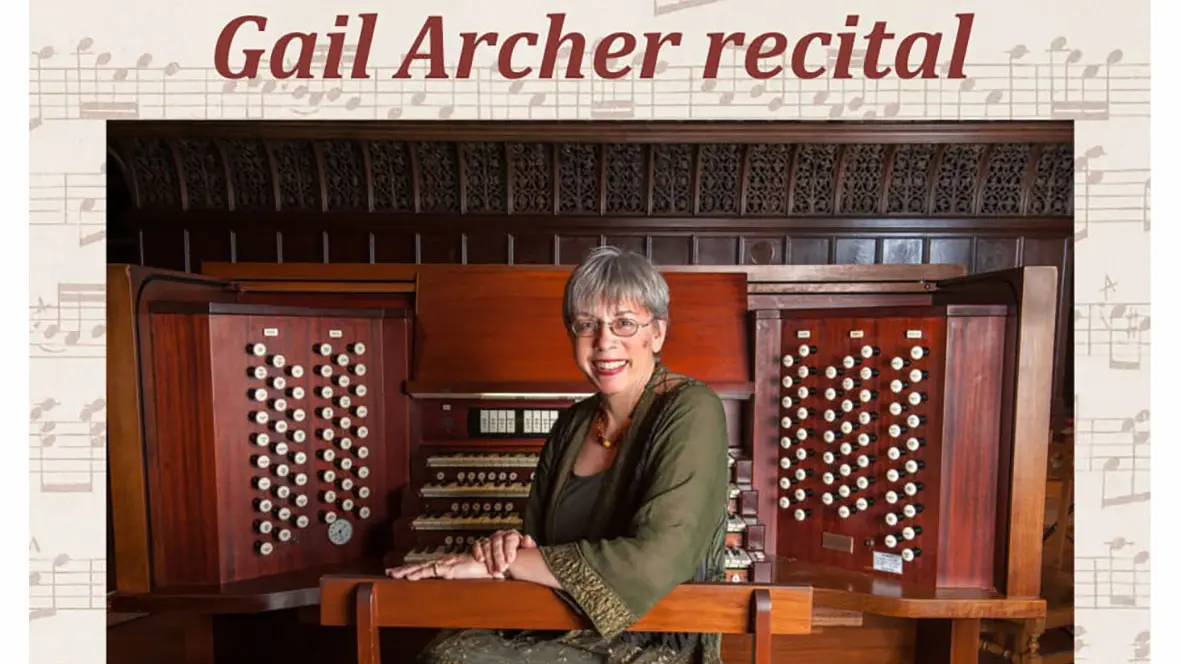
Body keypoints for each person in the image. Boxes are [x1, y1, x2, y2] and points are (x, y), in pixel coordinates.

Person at [385, 246, 731, 664]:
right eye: (587, 324)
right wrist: (509, 549)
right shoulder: (571, 425)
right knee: (445, 650)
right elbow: (539, 545)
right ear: (572, 335)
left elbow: (657, 559)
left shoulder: (692, 409)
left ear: (656, 333)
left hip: (654, 637)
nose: (604, 342)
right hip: (558, 621)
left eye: (624, 323)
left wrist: (514, 563)